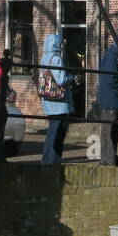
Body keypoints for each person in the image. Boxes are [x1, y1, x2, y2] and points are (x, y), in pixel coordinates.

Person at [38, 32, 72, 164]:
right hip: (59, 102)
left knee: (51, 132)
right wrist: (71, 77)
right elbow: (61, 80)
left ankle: (46, 160)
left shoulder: (44, 57)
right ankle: (53, 162)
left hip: (47, 100)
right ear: (57, 45)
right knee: (58, 133)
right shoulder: (56, 59)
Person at [96, 35, 118, 167]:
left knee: (107, 130)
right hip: (111, 100)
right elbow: (112, 79)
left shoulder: (111, 56)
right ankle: (109, 160)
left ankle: (106, 159)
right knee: (110, 130)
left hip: (108, 99)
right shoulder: (113, 58)